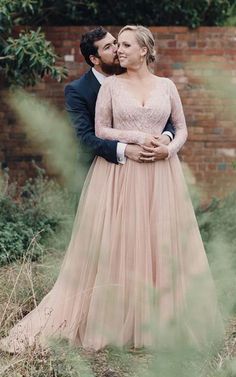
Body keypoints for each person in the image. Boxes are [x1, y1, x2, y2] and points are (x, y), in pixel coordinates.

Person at [0, 25, 222, 354]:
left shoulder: (167, 85)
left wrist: (168, 147)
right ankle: (114, 320)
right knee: (120, 244)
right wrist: (136, 139)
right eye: (114, 46)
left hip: (162, 172)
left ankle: (160, 321)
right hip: (120, 174)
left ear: (144, 50)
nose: (119, 50)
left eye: (125, 45)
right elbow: (100, 129)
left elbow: (181, 127)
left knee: (159, 243)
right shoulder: (110, 87)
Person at [64, 26, 175, 181]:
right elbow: (85, 138)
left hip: (146, 170)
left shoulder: (136, 76)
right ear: (94, 59)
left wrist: (167, 136)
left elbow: (162, 114)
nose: (117, 49)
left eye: (116, 43)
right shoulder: (77, 91)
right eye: (108, 47)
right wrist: (125, 150)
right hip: (98, 175)